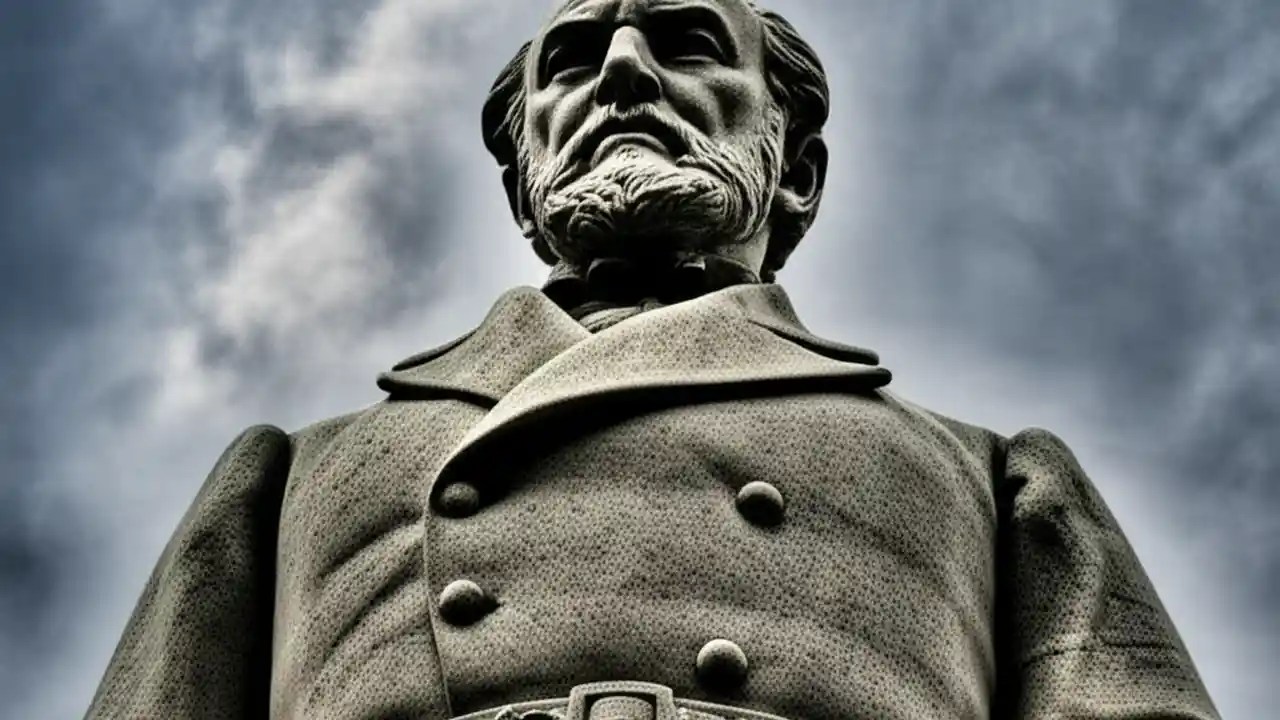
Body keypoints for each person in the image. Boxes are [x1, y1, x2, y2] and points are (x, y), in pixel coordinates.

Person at [87, 1, 1220, 718]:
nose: (622, 73)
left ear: (796, 174)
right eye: (570, 62)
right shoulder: (293, 476)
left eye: (683, 45)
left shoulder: (984, 479)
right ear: (521, 185)